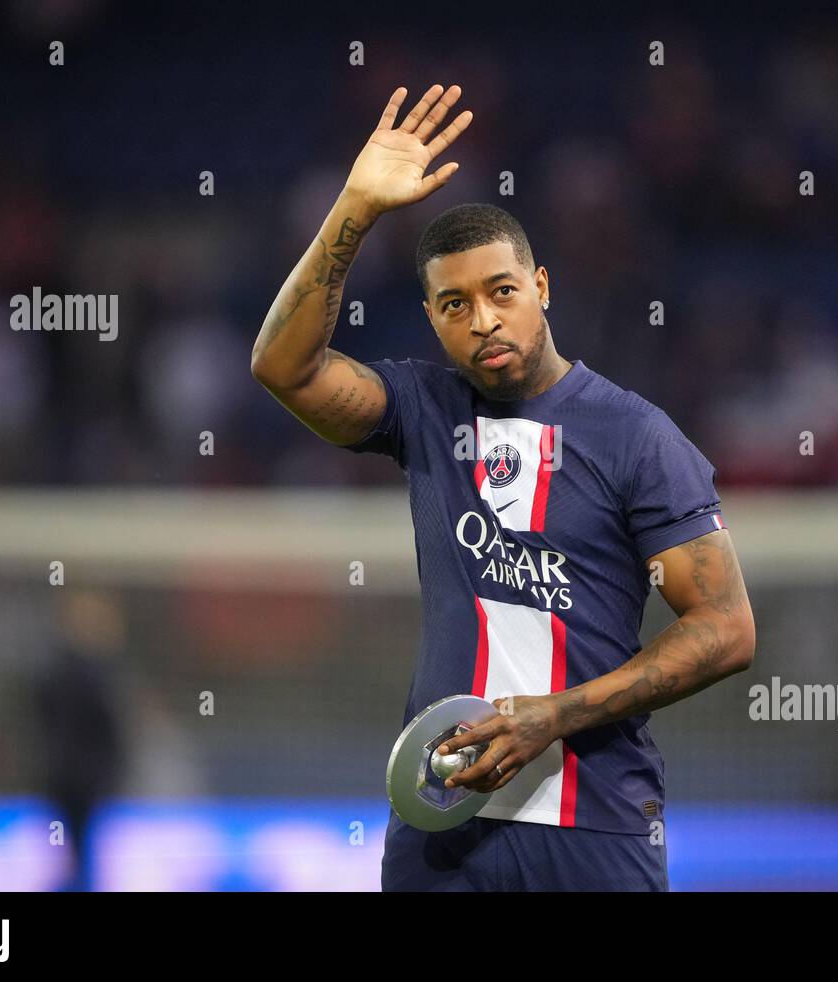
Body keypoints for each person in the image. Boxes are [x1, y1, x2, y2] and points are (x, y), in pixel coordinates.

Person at [251, 84, 756, 891]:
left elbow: (727, 629)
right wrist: (355, 208)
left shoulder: (637, 436)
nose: (483, 319)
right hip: (439, 815)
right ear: (431, 318)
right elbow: (282, 368)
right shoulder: (421, 407)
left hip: (593, 822)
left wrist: (554, 715)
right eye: (455, 304)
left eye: (502, 292)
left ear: (542, 288)